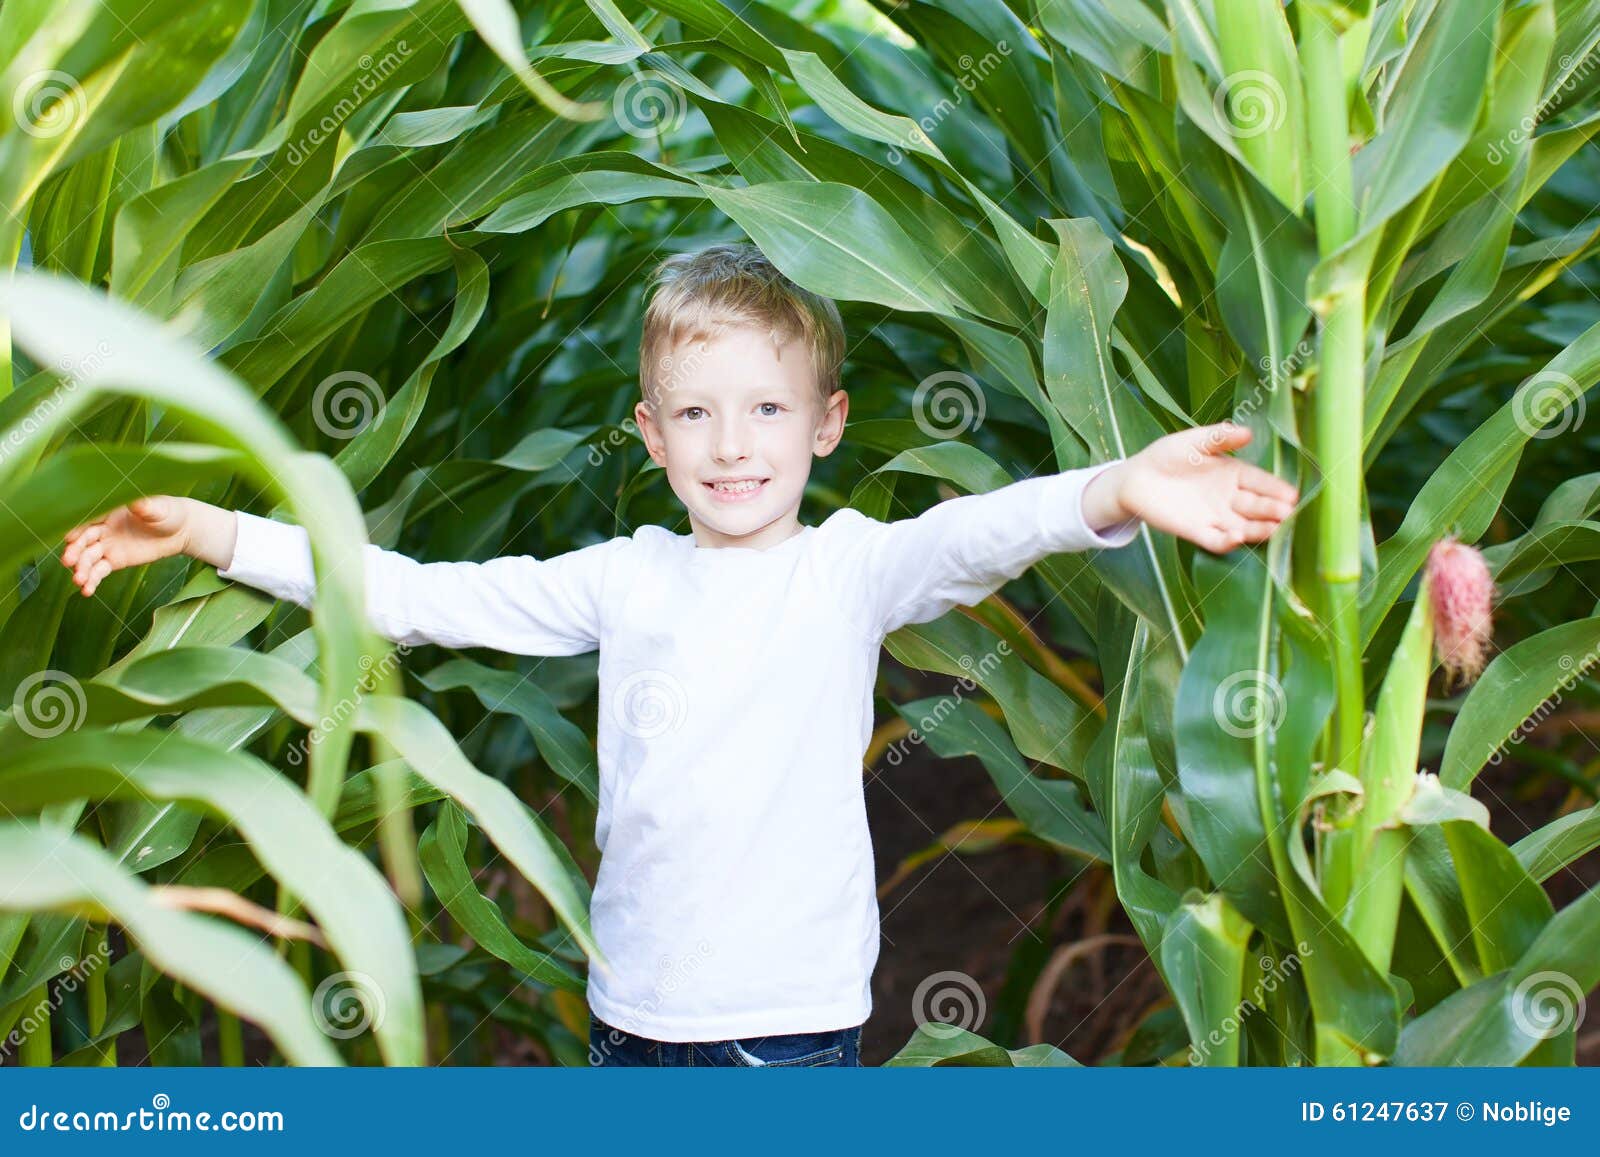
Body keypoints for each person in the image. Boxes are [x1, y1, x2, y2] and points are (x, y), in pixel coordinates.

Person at [60, 242, 1299, 1067]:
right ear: (649, 435)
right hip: (629, 1023)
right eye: (696, 413)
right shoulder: (625, 578)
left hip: (795, 1035)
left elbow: (980, 529)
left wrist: (1119, 485)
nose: (732, 445)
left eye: (766, 409)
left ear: (826, 425)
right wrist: (218, 533)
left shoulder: (850, 566)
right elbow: (412, 596)